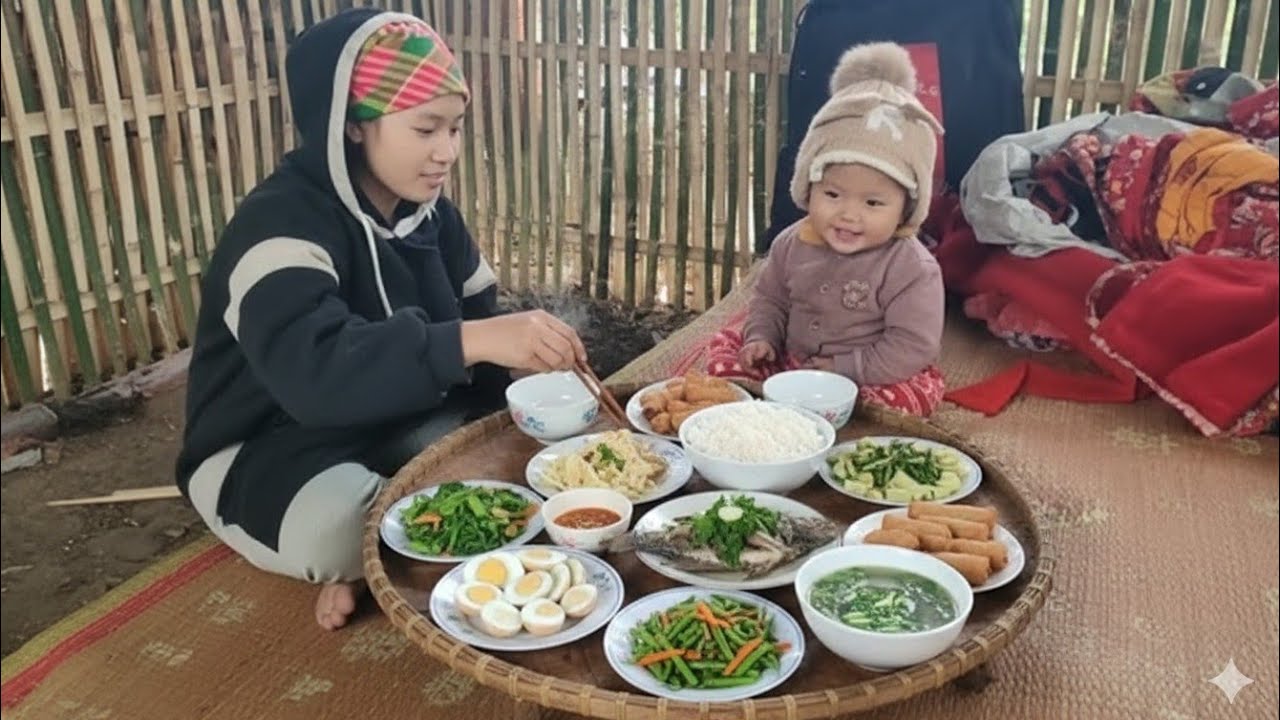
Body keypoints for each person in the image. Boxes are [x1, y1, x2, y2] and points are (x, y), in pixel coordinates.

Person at [175, 8, 587, 631]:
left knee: (509, 462)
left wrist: (537, 390)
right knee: (342, 531)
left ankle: (391, 565)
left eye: (455, 128)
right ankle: (372, 557)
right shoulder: (279, 225)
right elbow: (315, 373)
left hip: (396, 420)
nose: (446, 152)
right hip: (271, 443)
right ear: (351, 127)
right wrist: (470, 340)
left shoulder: (434, 218)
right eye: (425, 129)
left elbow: (483, 340)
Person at [705, 43, 947, 416]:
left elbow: (913, 344)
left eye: (873, 203)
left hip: (870, 372)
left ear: (906, 208)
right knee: (729, 349)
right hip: (794, 359)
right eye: (833, 194)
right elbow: (771, 300)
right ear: (808, 187)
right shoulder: (792, 242)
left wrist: (846, 369)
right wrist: (762, 339)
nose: (849, 215)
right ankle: (770, 395)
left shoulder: (912, 268)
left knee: (906, 397)